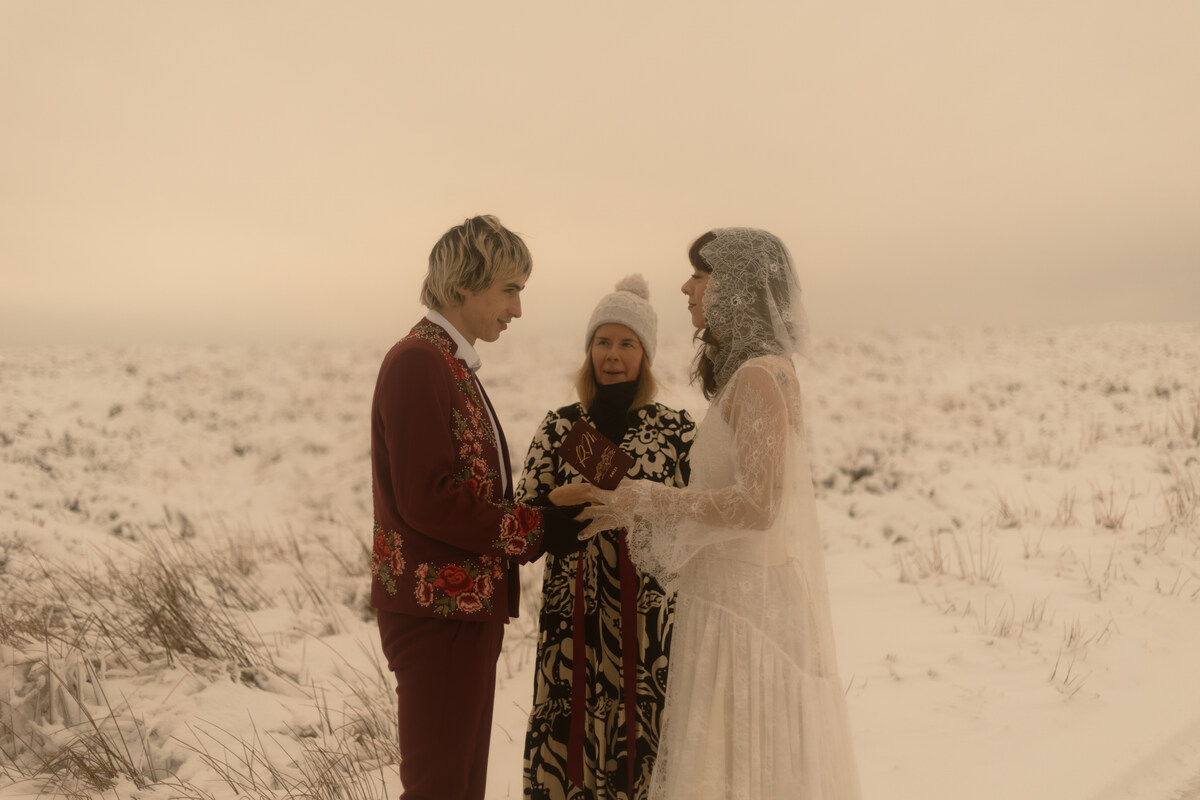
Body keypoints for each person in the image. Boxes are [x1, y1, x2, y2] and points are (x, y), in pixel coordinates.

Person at [579, 229, 862, 799]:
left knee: (737, 771)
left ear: (735, 287)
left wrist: (647, 497)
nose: (687, 288)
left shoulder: (759, 377)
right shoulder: (762, 371)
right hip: (734, 599)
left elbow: (758, 504)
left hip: (744, 612)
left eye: (700, 276)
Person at [370, 215, 587, 800]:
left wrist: (542, 509)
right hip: (436, 609)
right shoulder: (419, 360)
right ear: (465, 283)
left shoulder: (447, 362)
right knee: (440, 788)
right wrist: (538, 529)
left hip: (461, 607)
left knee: (459, 786)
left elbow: (460, 491)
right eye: (510, 290)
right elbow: (428, 499)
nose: (517, 310)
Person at [516, 275, 696, 800]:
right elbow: (522, 520)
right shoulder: (559, 427)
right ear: (588, 348)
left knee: (645, 737)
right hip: (571, 611)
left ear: (646, 354)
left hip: (647, 615)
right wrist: (555, 504)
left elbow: (694, 519)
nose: (612, 356)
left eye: (626, 344)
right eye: (602, 341)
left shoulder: (675, 429)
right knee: (566, 739)